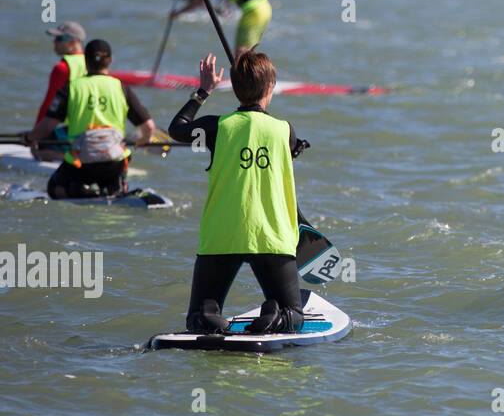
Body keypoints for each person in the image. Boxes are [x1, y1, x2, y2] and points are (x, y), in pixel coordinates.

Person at [169, 51, 308, 335]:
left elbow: (177, 130)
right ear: (270, 88)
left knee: (197, 317)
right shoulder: (285, 131)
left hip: (222, 236)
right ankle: (275, 316)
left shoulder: (215, 127)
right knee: (295, 314)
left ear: (233, 88)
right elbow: (290, 148)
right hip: (271, 238)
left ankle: (211, 319)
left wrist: (203, 91)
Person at [25, 39, 156, 198]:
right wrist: (144, 141)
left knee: (53, 187)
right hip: (114, 163)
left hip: (81, 163)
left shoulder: (71, 88)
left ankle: (82, 193)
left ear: (85, 60)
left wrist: (29, 137)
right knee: (117, 167)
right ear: (111, 60)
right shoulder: (121, 88)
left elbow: (46, 127)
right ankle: (114, 190)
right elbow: (149, 127)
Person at [32, 22, 88, 162]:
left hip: (71, 131)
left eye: (59, 39)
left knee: (37, 150)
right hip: (94, 130)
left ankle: (73, 158)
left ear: (74, 41)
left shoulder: (62, 68)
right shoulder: (92, 63)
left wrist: (35, 135)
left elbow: (48, 105)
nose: (54, 43)